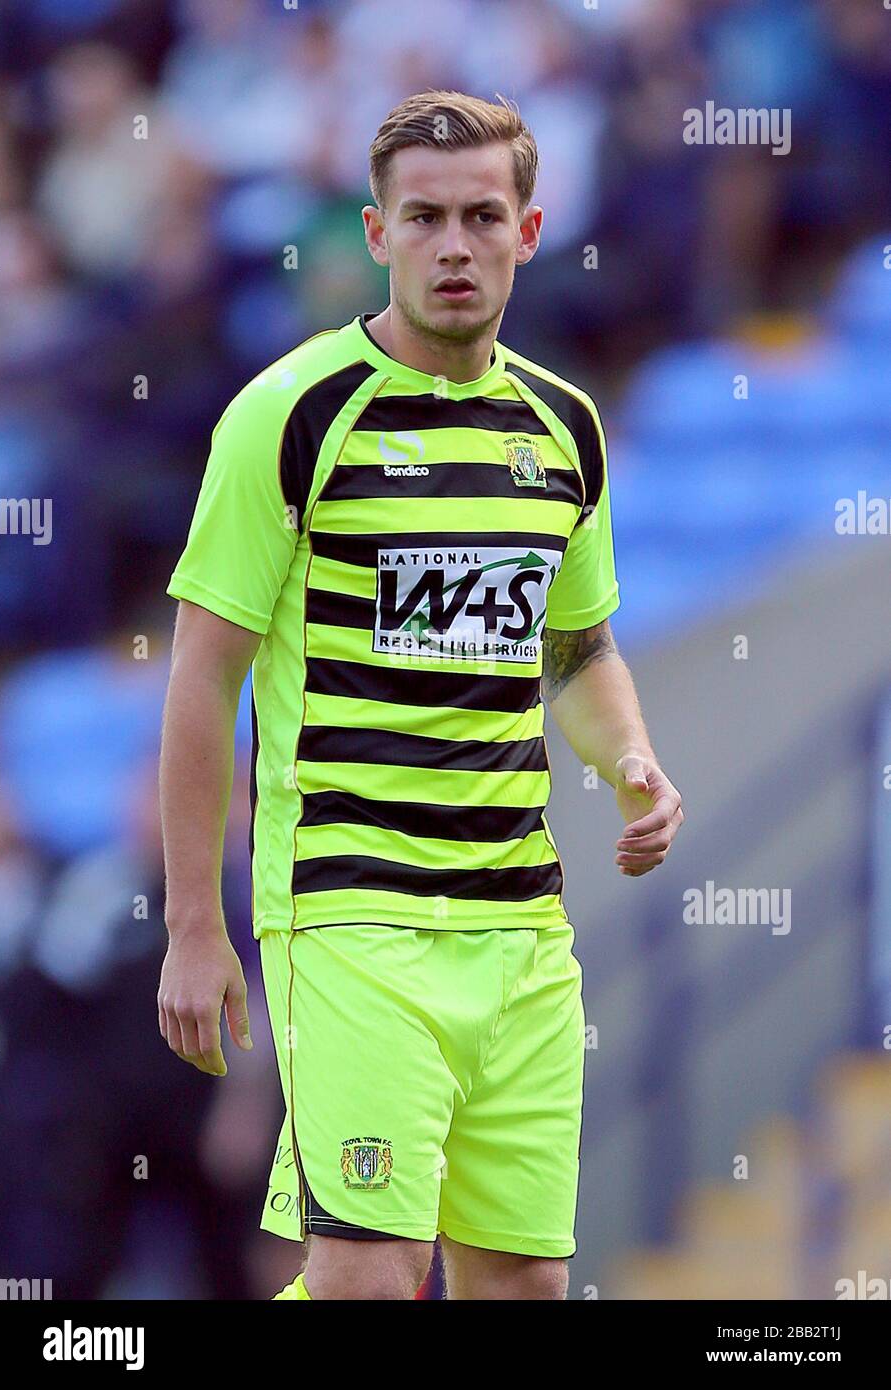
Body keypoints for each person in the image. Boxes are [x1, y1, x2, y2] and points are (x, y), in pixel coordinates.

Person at [158, 89, 683, 1301]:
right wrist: (196, 924)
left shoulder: (565, 428)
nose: (457, 244)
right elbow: (201, 679)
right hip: (349, 916)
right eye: (427, 217)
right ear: (377, 233)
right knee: (367, 1275)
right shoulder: (291, 415)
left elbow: (577, 652)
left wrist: (633, 761)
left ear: (530, 230)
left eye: (483, 215)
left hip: (520, 928)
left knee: (521, 1289)